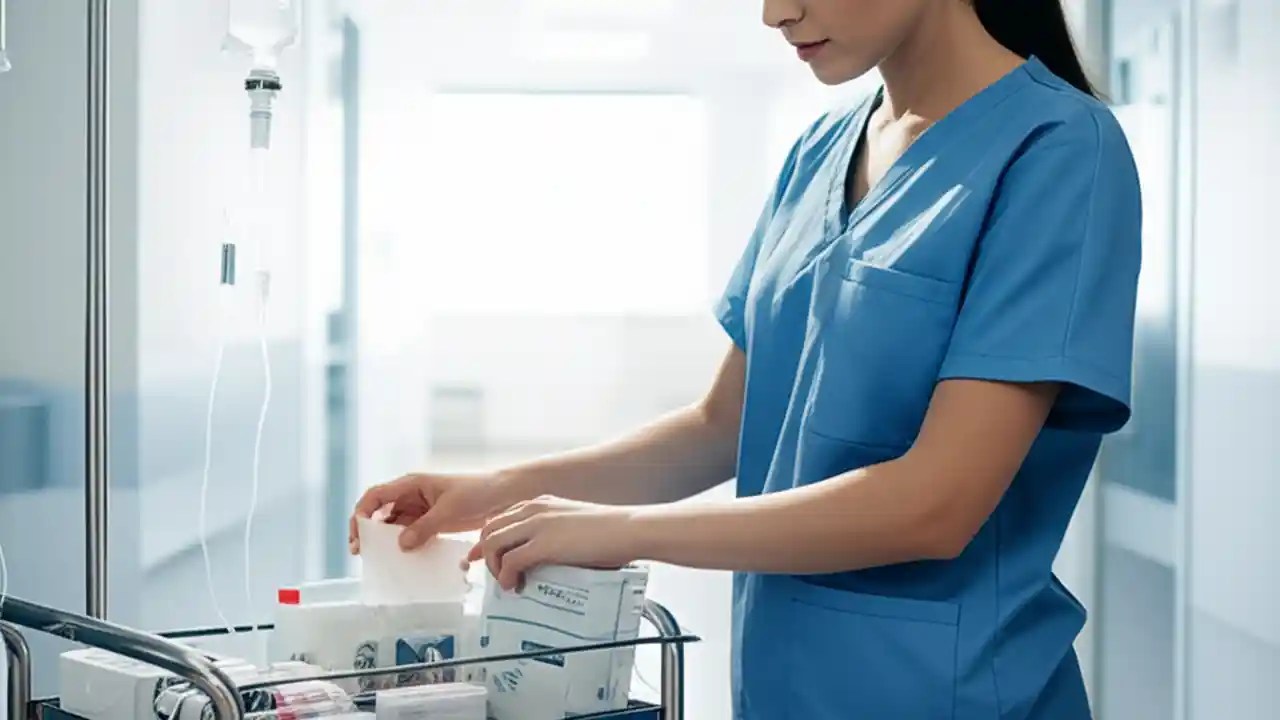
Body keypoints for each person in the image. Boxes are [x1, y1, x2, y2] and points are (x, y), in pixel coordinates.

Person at [350, 0, 1141, 717]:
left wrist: (622, 529)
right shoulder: (822, 148)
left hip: (956, 695)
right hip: (781, 691)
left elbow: (939, 502)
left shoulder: (1057, 151)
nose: (774, 13)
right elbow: (722, 425)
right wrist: (497, 491)